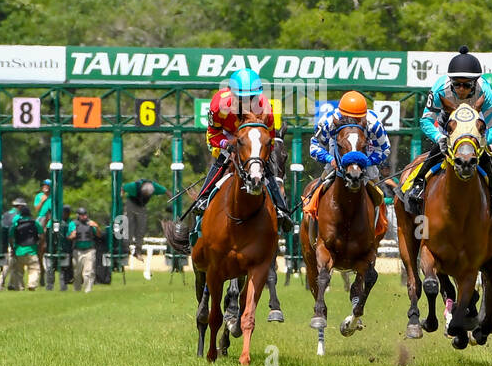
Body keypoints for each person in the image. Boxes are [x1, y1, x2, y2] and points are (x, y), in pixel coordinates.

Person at [400, 46, 492, 216]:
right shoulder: (440, 89)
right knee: (436, 151)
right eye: (456, 84)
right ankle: (418, 184)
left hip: (474, 127)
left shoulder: (485, 91)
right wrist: (440, 138)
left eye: (466, 85)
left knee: (485, 157)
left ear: (475, 83)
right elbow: (426, 120)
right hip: (449, 124)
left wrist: (482, 141)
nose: (460, 89)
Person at [193, 69, 294, 230]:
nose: (247, 102)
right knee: (222, 159)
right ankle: (203, 198)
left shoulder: (265, 109)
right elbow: (213, 134)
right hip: (226, 136)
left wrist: (260, 155)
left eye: (251, 97)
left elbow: (270, 140)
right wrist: (228, 144)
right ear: (232, 94)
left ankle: (281, 209)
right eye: (241, 98)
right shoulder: (218, 105)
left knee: (263, 165)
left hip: (252, 138)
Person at [306, 91, 391, 239]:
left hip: (365, 153)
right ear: (341, 114)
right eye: (349, 117)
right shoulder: (329, 121)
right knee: (317, 189)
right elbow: (314, 146)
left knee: (379, 195)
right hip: (337, 153)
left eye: (358, 119)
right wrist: (329, 159)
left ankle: (377, 230)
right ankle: (313, 224)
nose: (353, 121)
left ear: (364, 116)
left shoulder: (374, 124)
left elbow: (384, 149)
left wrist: (367, 161)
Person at [123, 175, 171, 258]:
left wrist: (173, 199)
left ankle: (138, 252)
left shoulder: (155, 187)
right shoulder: (134, 186)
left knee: (141, 229)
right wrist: (121, 197)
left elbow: (166, 191)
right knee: (129, 226)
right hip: (131, 203)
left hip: (142, 206)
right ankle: (126, 249)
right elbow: (123, 188)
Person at [6, 199, 41, 291]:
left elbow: (10, 236)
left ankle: (20, 287)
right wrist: (38, 244)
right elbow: (41, 234)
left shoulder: (16, 223)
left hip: (19, 250)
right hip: (32, 250)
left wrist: (13, 248)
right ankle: (32, 284)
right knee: (34, 269)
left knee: (18, 271)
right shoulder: (35, 223)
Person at [68, 207, 102, 293]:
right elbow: (69, 237)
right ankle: (77, 289)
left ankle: (88, 290)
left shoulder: (91, 223)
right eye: (82, 215)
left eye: (85, 214)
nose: (84, 216)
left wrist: (97, 227)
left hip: (89, 250)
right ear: (78, 215)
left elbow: (99, 235)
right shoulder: (73, 224)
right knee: (77, 273)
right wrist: (72, 235)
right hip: (77, 251)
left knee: (88, 272)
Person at [59, 205, 74, 290]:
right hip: (58, 248)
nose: (65, 214)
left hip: (68, 248)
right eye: (64, 212)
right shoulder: (56, 222)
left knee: (66, 267)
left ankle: (66, 282)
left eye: (67, 212)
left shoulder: (70, 223)